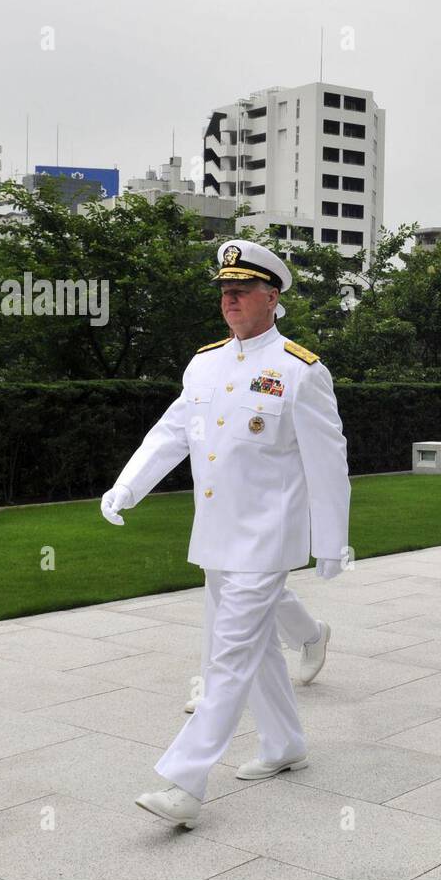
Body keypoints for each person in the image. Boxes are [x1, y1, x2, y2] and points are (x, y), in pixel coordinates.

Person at [100, 239, 351, 828]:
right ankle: (285, 743)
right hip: (216, 534)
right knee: (258, 650)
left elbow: (327, 460)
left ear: (273, 296)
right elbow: (171, 434)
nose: (229, 299)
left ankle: (184, 782)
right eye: (224, 290)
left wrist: (332, 540)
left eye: (241, 290)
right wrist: (127, 486)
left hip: (267, 537)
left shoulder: (300, 371)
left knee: (227, 657)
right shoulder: (204, 363)